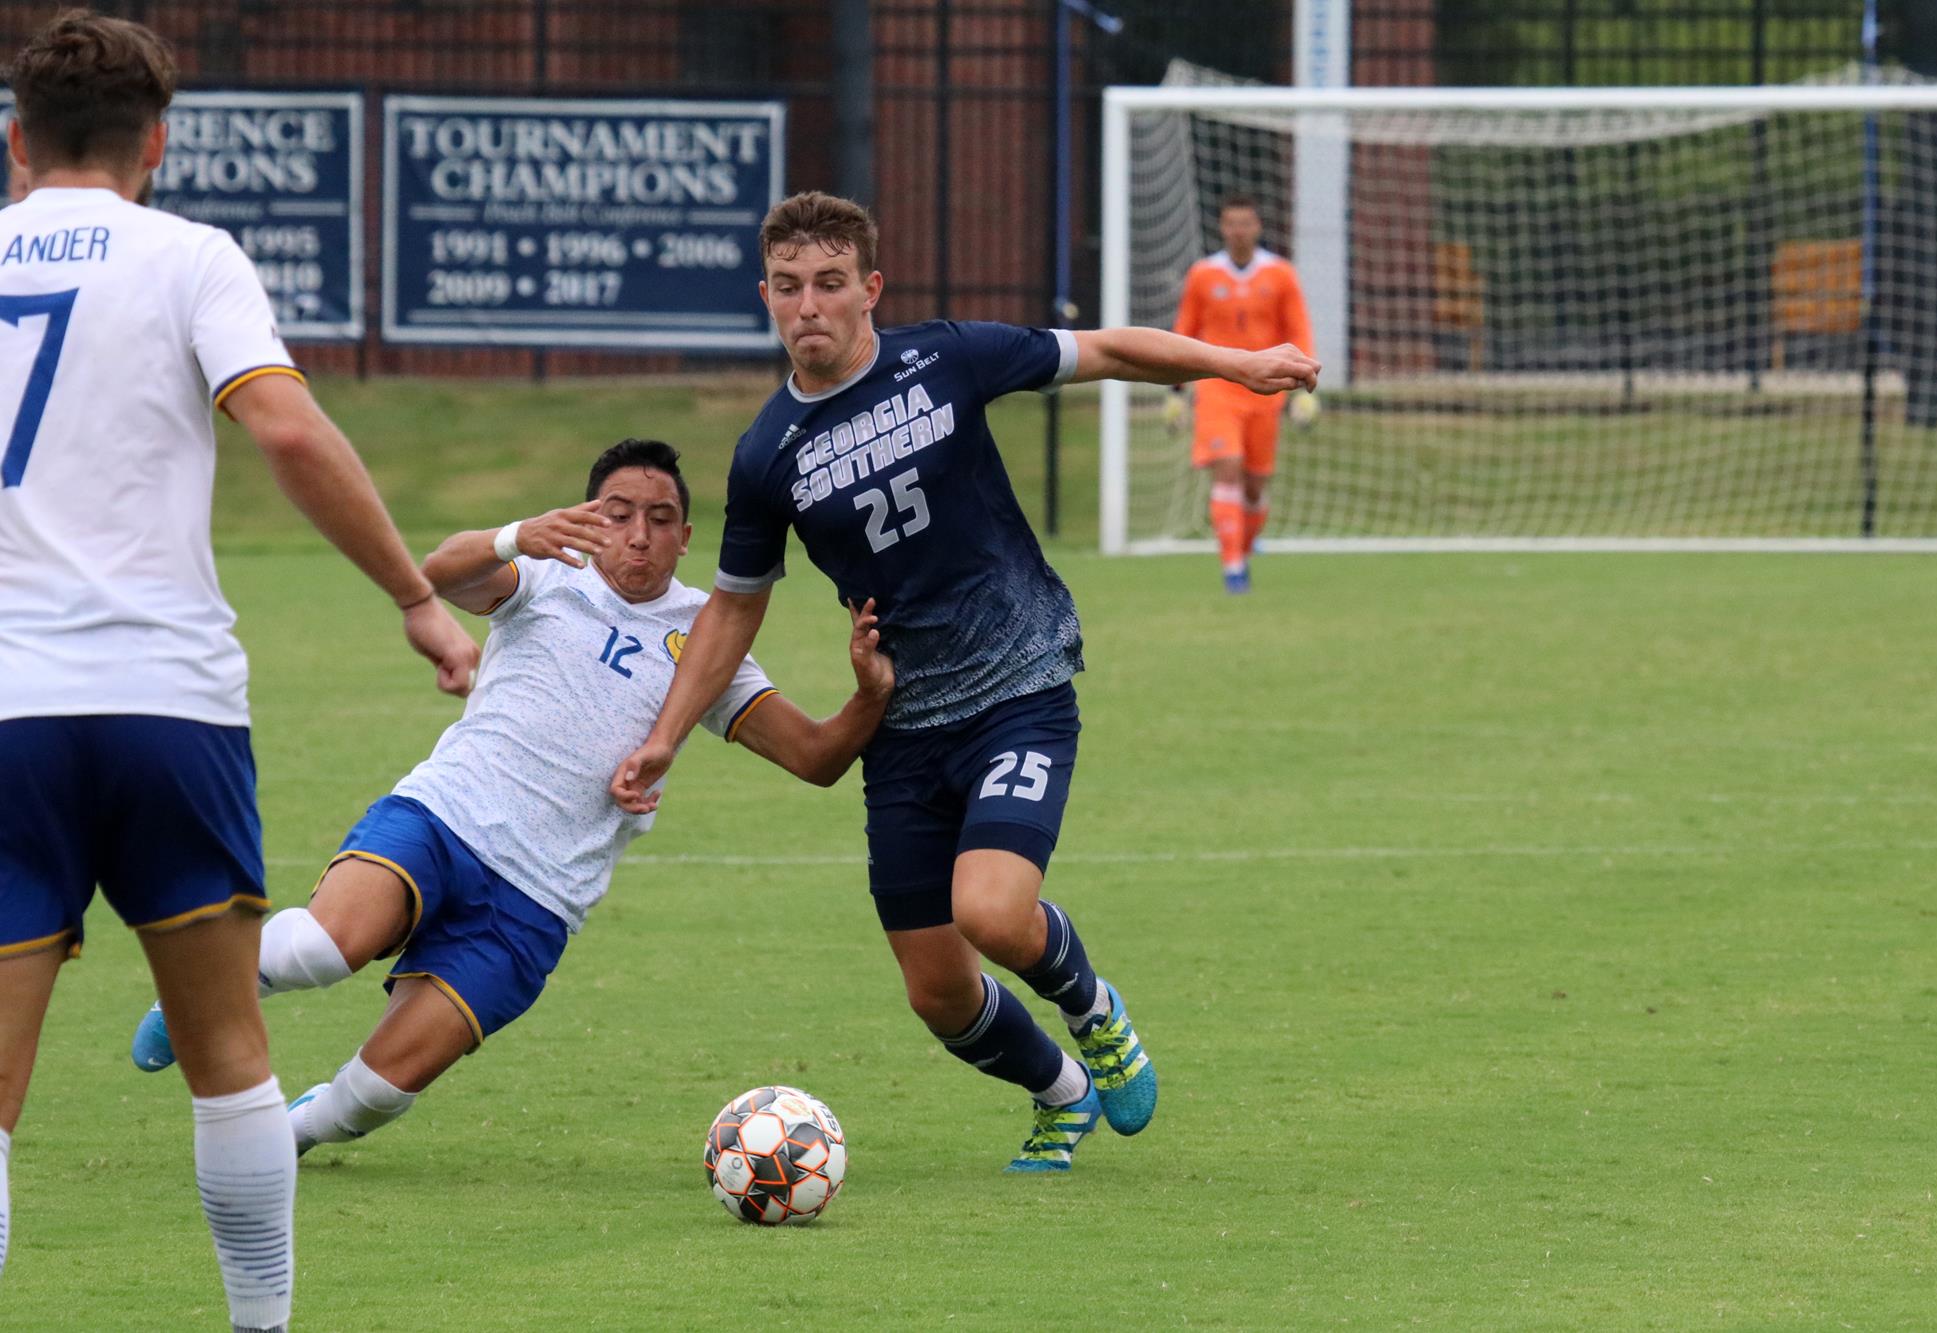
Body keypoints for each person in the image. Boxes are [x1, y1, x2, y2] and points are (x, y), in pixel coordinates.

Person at [610, 192, 1319, 1172]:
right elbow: (732, 609)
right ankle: (1059, 1093)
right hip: (903, 728)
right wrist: (663, 739)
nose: (806, 305)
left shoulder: (942, 358)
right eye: (786, 287)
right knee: (937, 990)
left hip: (1018, 683)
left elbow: (1104, 350)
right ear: (765, 296)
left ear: (870, 289)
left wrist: (1235, 366)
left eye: (827, 284)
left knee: (991, 911)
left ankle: (1093, 1009)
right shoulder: (767, 455)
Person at [0, 12, 478, 1331]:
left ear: (14, 139)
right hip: (170, 708)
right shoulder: (191, 258)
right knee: (227, 1055)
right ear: (156, 141)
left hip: (8, 712)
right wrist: (417, 600)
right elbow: (288, 428)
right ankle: (259, 1327)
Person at [131, 440, 894, 1160]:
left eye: (659, 520)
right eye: (619, 513)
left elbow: (816, 756)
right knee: (324, 948)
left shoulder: (706, 638)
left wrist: (867, 694)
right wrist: (513, 536)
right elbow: (439, 573)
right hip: (443, 818)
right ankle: (192, 991)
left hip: (537, 900)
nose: (638, 535)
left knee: (373, 1096)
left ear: (686, 536)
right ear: (590, 518)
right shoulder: (548, 574)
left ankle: (291, 1132)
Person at [1165, 194, 1317, 594]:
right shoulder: (1203, 275)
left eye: (1245, 223)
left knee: (1255, 485)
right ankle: (1232, 567)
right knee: (1227, 464)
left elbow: (1298, 329)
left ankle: (1243, 552)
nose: (1238, 231)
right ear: (1222, 227)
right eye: (1231, 223)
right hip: (1217, 387)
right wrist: (1176, 392)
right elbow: (1185, 331)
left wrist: (1304, 387)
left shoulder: (1281, 274)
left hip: (1266, 391)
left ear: (1257, 227)